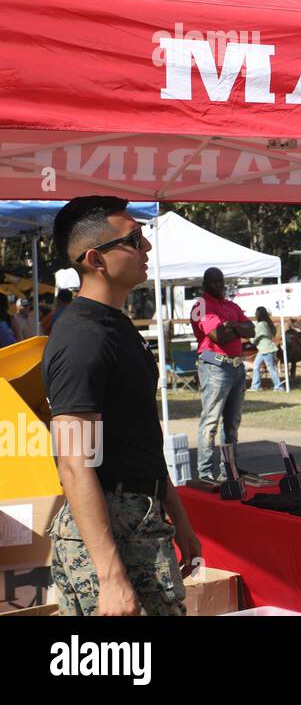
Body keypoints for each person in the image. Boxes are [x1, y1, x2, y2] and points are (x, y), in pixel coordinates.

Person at [44, 195, 201, 615]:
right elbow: (75, 462)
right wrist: (111, 577)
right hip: (112, 533)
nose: (146, 247)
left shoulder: (116, 326)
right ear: (95, 258)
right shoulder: (83, 337)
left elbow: (141, 437)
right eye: (134, 239)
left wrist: (178, 519)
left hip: (139, 520)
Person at [191, 266, 255, 482]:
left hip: (235, 366)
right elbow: (218, 335)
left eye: (221, 281)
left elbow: (251, 329)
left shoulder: (230, 305)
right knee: (211, 420)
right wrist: (236, 328)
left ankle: (229, 468)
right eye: (214, 282)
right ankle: (205, 471)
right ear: (205, 285)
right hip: (215, 365)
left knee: (232, 421)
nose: (219, 285)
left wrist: (232, 325)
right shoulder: (201, 305)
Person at [250, 306, 284, 392]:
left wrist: (248, 338)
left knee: (270, 368)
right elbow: (273, 333)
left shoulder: (260, 325)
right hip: (264, 349)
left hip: (266, 349)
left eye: (255, 313)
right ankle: (255, 386)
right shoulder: (268, 323)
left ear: (258, 314)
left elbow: (254, 339)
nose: (255, 314)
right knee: (256, 366)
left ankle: (278, 387)